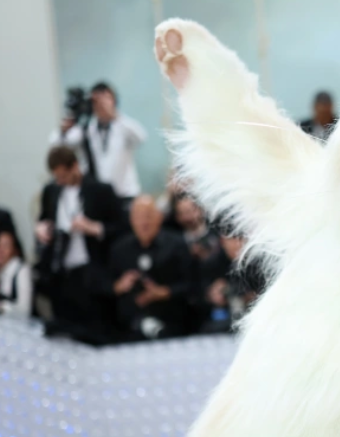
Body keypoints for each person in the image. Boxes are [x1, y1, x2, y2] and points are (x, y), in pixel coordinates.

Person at [36, 146, 124, 343]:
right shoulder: (51, 190)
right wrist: (41, 228)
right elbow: (43, 219)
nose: (60, 181)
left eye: (63, 176)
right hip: (60, 269)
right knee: (63, 331)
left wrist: (94, 228)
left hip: (91, 271)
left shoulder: (101, 190)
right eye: (56, 177)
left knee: (92, 332)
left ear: (75, 166)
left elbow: (122, 227)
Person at [108, 196, 196, 341]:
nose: (144, 222)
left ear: (159, 217)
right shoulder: (119, 249)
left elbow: (193, 284)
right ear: (131, 219)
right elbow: (106, 286)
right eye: (138, 217)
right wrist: (120, 285)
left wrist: (163, 292)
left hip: (173, 322)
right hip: (130, 328)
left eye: (148, 216)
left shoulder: (177, 244)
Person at [54, 82, 146, 204]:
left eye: (106, 98)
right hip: (98, 197)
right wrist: (65, 129)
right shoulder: (86, 128)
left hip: (125, 194)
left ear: (114, 100)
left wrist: (114, 115)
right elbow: (60, 145)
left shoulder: (122, 125)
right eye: (97, 100)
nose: (101, 104)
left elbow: (141, 137)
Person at [197, 234, 266, 333]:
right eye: (233, 240)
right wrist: (211, 294)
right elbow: (197, 295)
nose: (238, 244)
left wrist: (248, 296)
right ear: (223, 241)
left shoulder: (259, 262)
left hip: (255, 317)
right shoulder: (212, 264)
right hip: (224, 318)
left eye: (242, 239)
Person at [173, 194, 219, 263]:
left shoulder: (217, 229)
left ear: (200, 209)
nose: (189, 217)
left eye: (190, 211)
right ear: (177, 217)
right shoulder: (177, 244)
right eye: (183, 213)